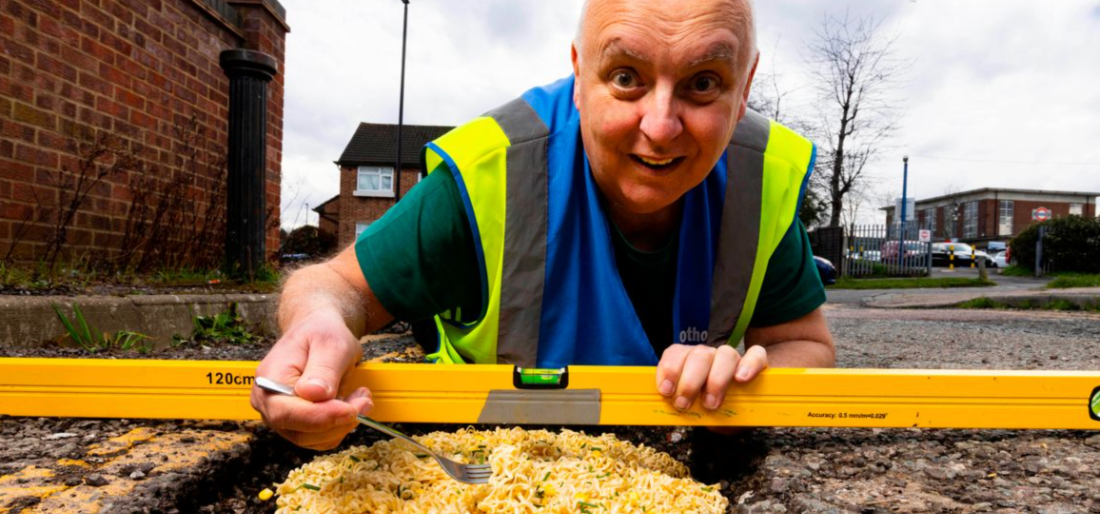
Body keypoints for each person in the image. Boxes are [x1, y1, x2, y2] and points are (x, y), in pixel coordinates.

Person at [252, 0, 835, 450]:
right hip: (481, 465)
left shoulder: (763, 179)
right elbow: (337, 286)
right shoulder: (489, 176)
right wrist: (318, 323)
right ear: (580, 76)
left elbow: (803, 343)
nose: (660, 127)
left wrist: (743, 388)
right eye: (626, 76)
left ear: (745, 87)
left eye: (703, 82)